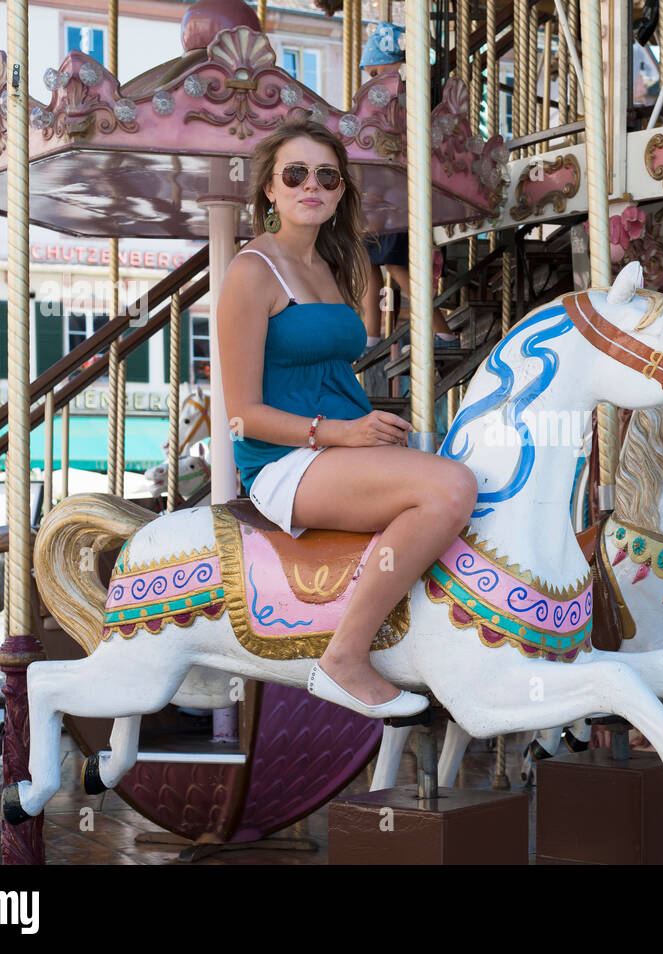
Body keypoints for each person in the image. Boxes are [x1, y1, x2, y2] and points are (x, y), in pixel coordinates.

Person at [218, 116, 478, 719]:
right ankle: (346, 657)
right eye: (296, 173)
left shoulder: (329, 267)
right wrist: (341, 433)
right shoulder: (251, 272)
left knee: (475, 480)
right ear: (270, 189)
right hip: (286, 462)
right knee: (451, 487)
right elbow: (243, 416)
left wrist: (362, 431)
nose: (312, 185)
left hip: (340, 447)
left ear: (339, 193)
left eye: (327, 176)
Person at [357, 21, 459, 352]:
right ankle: (371, 334)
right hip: (381, 191)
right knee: (368, 259)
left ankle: (442, 331)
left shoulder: (407, 99)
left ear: (398, 66)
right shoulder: (383, 102)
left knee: (396, 263)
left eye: (376, 71)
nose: (371, 79)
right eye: (370, 73)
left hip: (400, 192)